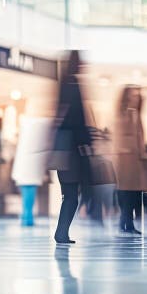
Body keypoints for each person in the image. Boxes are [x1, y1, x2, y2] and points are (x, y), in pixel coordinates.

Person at [51, 51, 92, 246]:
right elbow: (78, 119)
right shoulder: (73, 85)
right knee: (72, 196)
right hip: (71, 153)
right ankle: (61, 233)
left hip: (64, 152)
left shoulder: (64, 84)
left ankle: (62, 232)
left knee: (69, 195)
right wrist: (87, 142)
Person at [114, 85, 147, 235]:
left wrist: (142, 152)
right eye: (133, 96)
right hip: (125, 161)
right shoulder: (122, 115)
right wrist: (126, 149)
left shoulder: (136, 115)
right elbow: (120, 137)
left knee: (134, 194)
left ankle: (128, 222)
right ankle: (125, 221)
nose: (136, 98)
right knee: (126, 193)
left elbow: (139, 137)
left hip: (135, 161)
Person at [11, 115, 52, 227]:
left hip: (24, 175)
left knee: (26, 199)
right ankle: (27, 218)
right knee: (29, 199)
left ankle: (26, 218)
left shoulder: (24, 142)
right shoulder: (36, 142)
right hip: (31, 175)